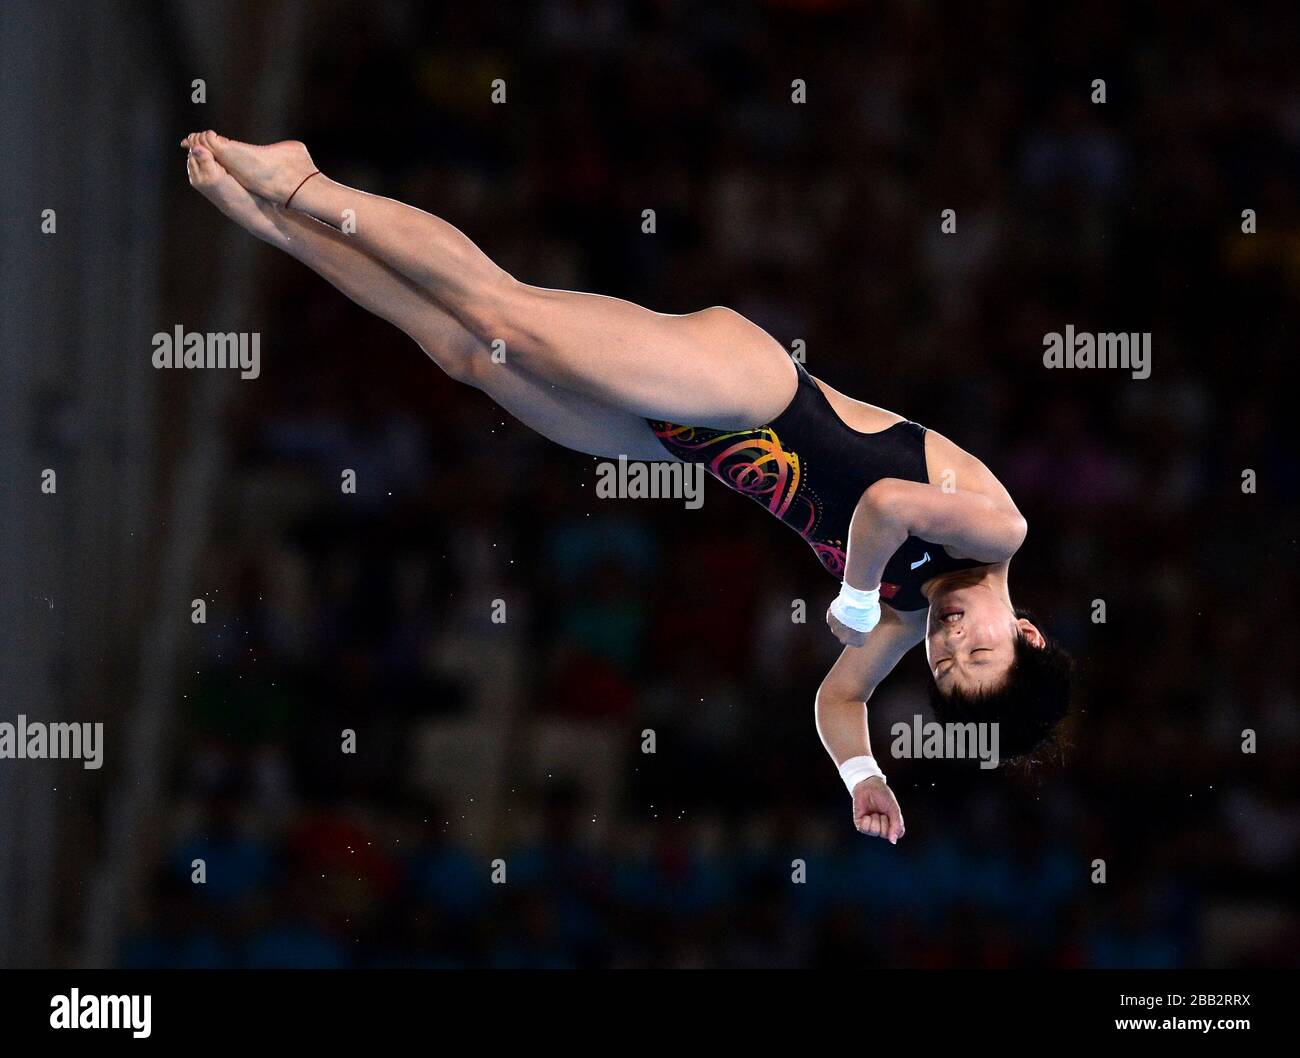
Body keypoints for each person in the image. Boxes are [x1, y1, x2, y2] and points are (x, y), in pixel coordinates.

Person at [183, 131, 1072, 844]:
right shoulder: (1000, 532)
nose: (950, 647)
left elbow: (836, 700)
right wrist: (851, 591)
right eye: (980, 651)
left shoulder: (909, 616)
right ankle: (301, 183)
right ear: (1022, 628)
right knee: (505, 317)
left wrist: (863, 775)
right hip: (748, 389)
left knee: (465, 355)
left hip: (684, 447)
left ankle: (279, 230)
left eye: (946, 669)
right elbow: (884, 505)